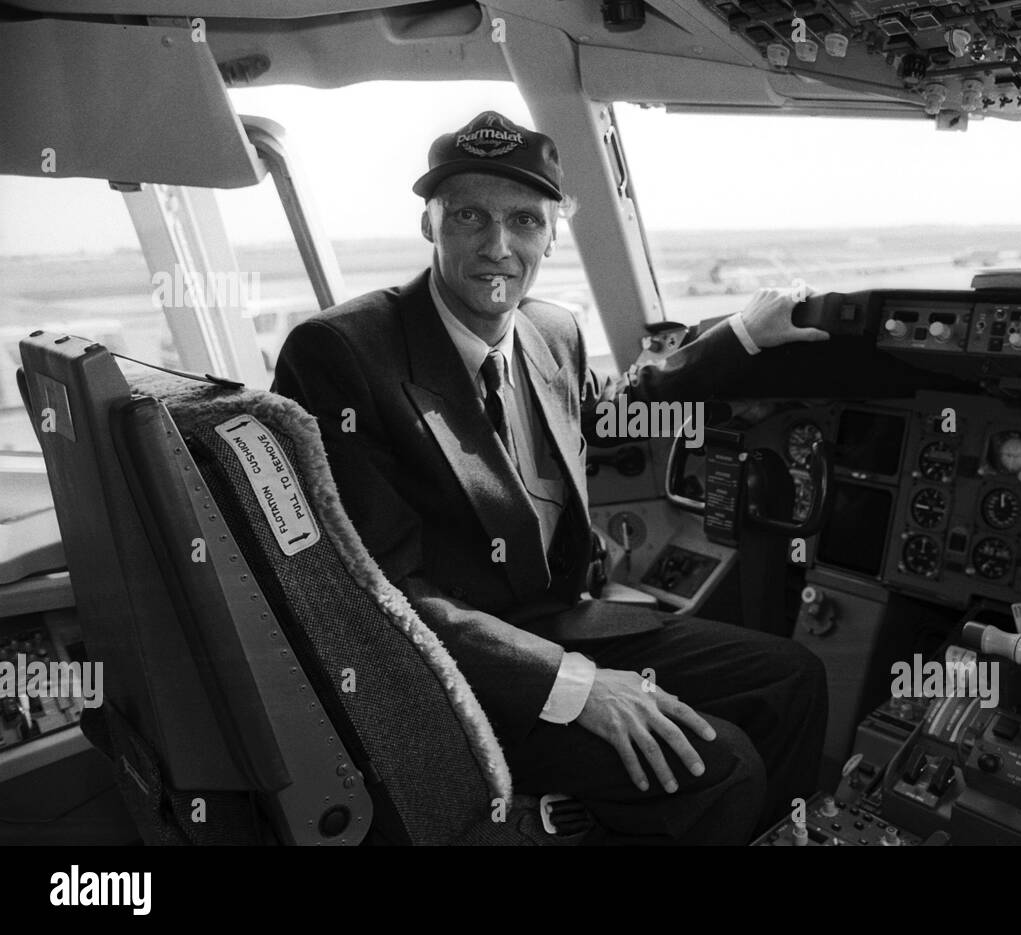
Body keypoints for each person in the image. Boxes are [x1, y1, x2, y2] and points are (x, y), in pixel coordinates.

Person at [273, 111, 829, 844]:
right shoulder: (343, 353)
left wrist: (739, 339)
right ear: (428, 223)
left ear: (552, 234)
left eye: (525, 221)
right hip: (446, 675)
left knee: (790, 678)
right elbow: (379, 592)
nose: (498, 246)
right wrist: (576, 686)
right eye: (469, 215)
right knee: (720, 765)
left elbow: (606, 418)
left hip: (556, 617)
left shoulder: (551, 331)